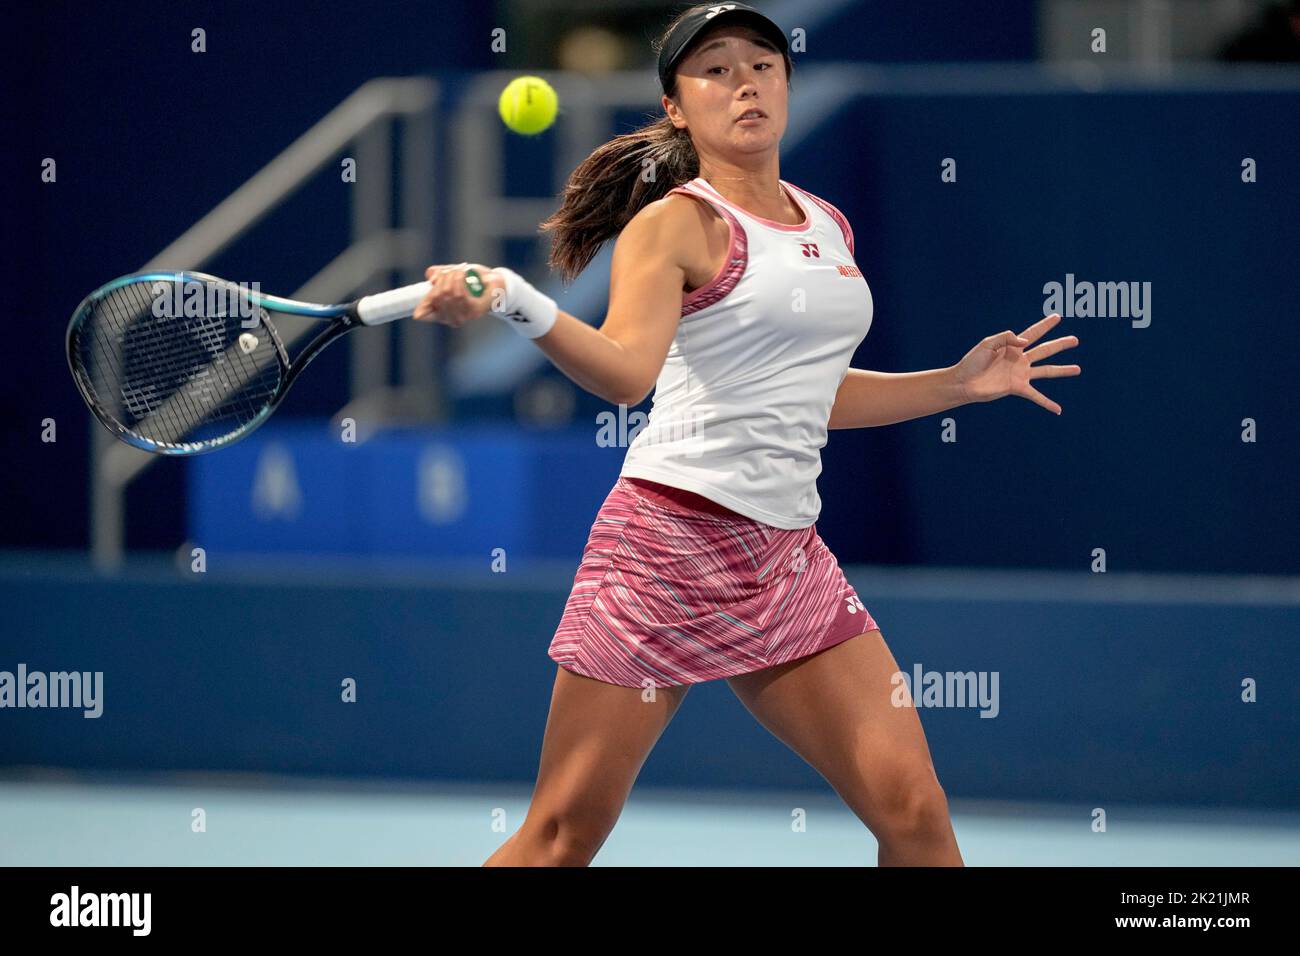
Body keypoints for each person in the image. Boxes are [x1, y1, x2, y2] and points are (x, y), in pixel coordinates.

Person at [412, 2, 1080, 866]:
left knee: (914, 814)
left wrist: (956, 383)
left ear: (787, 84)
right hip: (667, 542)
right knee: (561, 836)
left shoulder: (827, 223)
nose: (745, 83)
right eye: (715, 70)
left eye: (762, 64)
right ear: (676, 108)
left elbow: (809, 395)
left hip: (787, 555)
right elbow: (626, 373)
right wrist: (511, 296)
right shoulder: (674, 224)